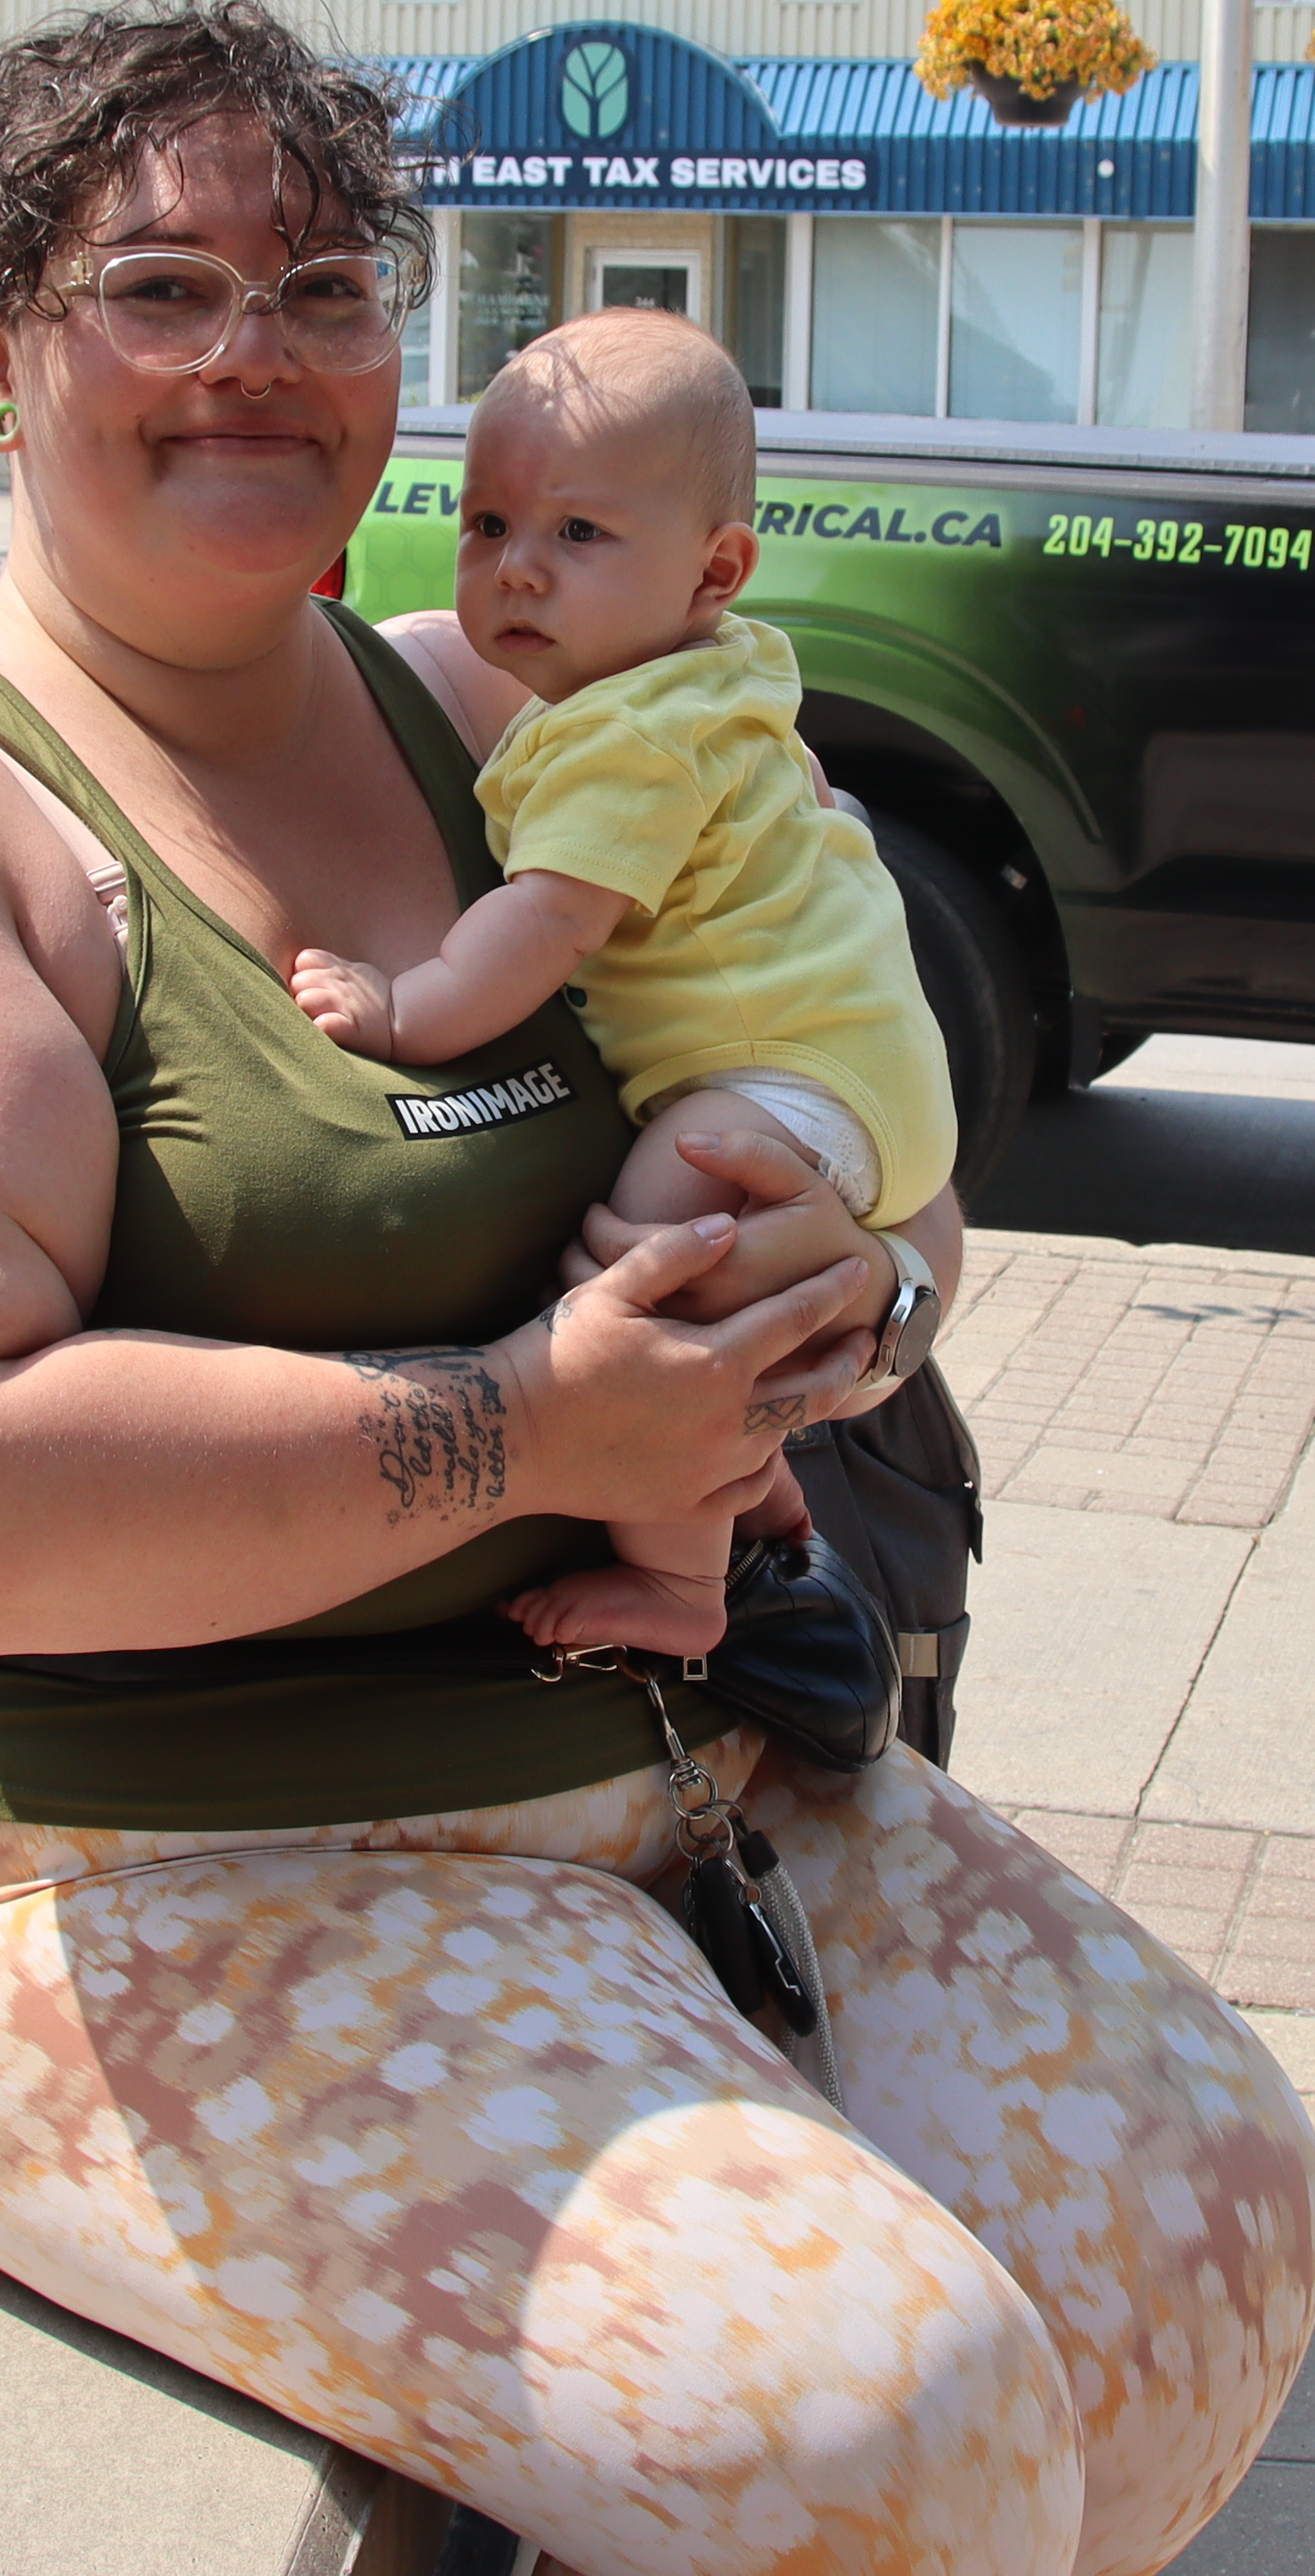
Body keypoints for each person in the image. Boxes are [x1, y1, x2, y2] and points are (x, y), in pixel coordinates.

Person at [0, 0, 1315, 2576]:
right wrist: (537, 1430)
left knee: (1211, 2234)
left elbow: (872, 1106)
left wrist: (849, 1285)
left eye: (321, 290)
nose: (255, 360)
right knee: (885, 2428)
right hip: (108, 1863)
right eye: (160, 289)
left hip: (658, 1776)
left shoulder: (522, 716)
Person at [281, 309, 957, 1660]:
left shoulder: (622, 739)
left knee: (660, 1238)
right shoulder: (711, 681)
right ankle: (740, 1477)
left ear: (715, 571)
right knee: (683, 1248)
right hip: (851, 1073)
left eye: (578, 536)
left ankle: (681, 1587)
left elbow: (540, 928)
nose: (519, 574)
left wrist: (406, 1010)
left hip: (786, 1083)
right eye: (487, 528)